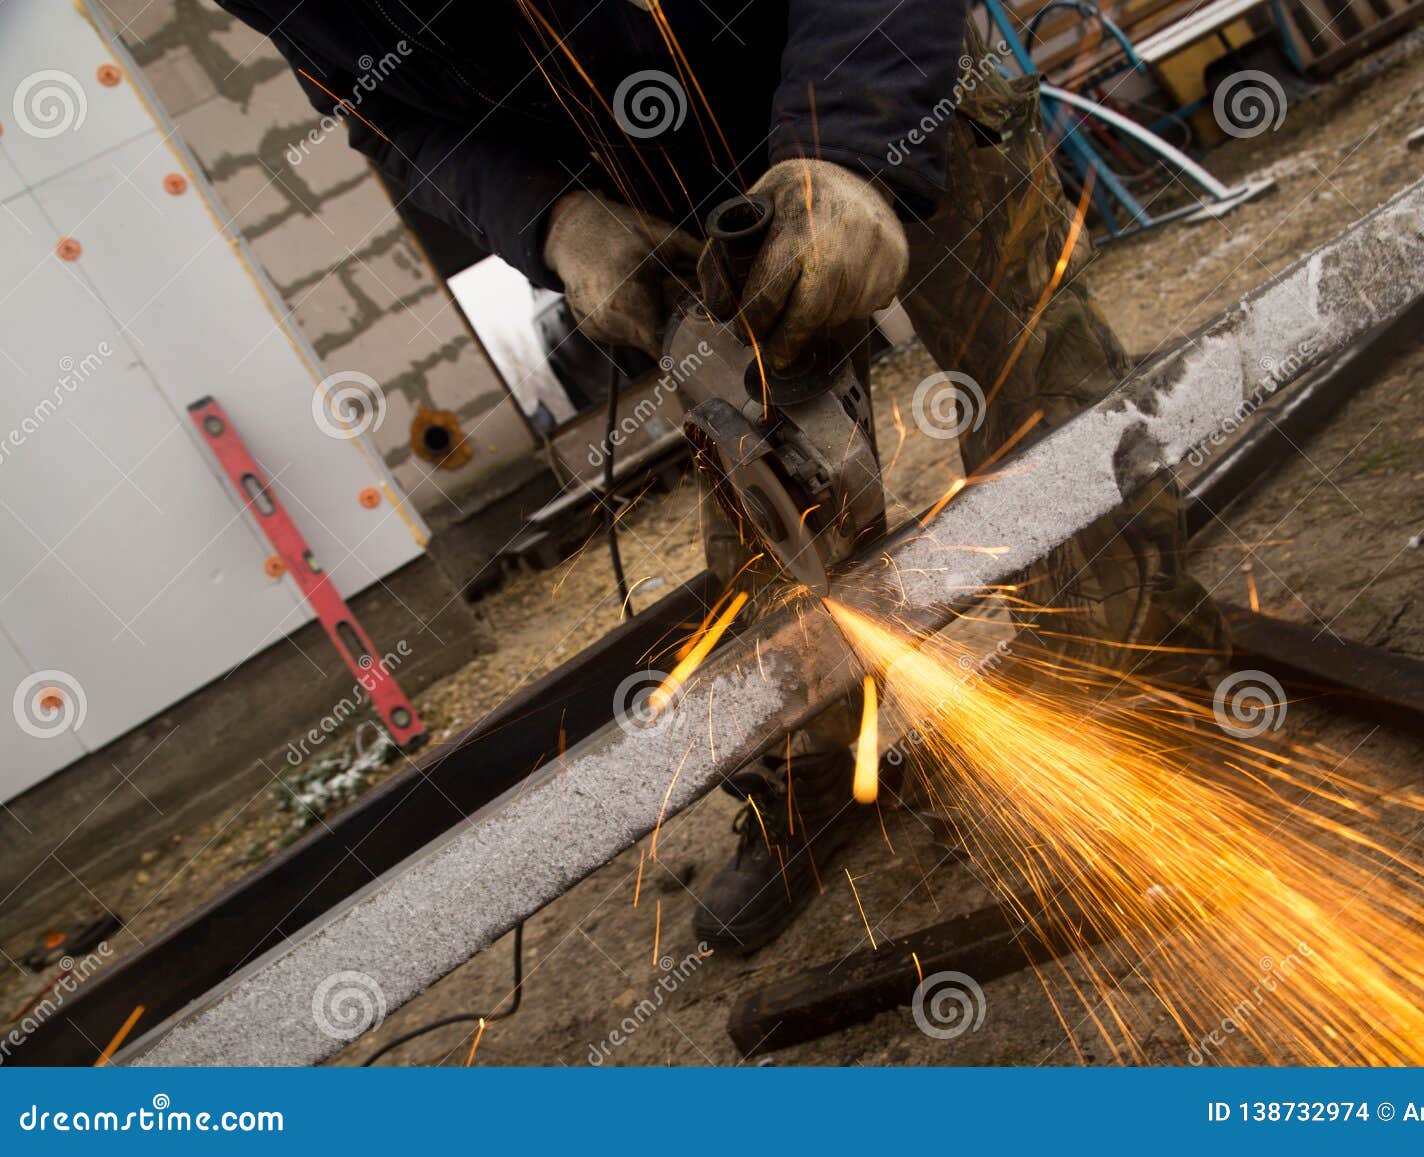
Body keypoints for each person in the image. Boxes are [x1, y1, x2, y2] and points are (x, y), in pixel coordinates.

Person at [224, 0, 1223, 953]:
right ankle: (818, 762)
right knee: (762, 494)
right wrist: (555, 219)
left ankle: (1138, 678)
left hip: (885, 62)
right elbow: (390, 111)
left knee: (1034, 369)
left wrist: (847, 144)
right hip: (639, 174)